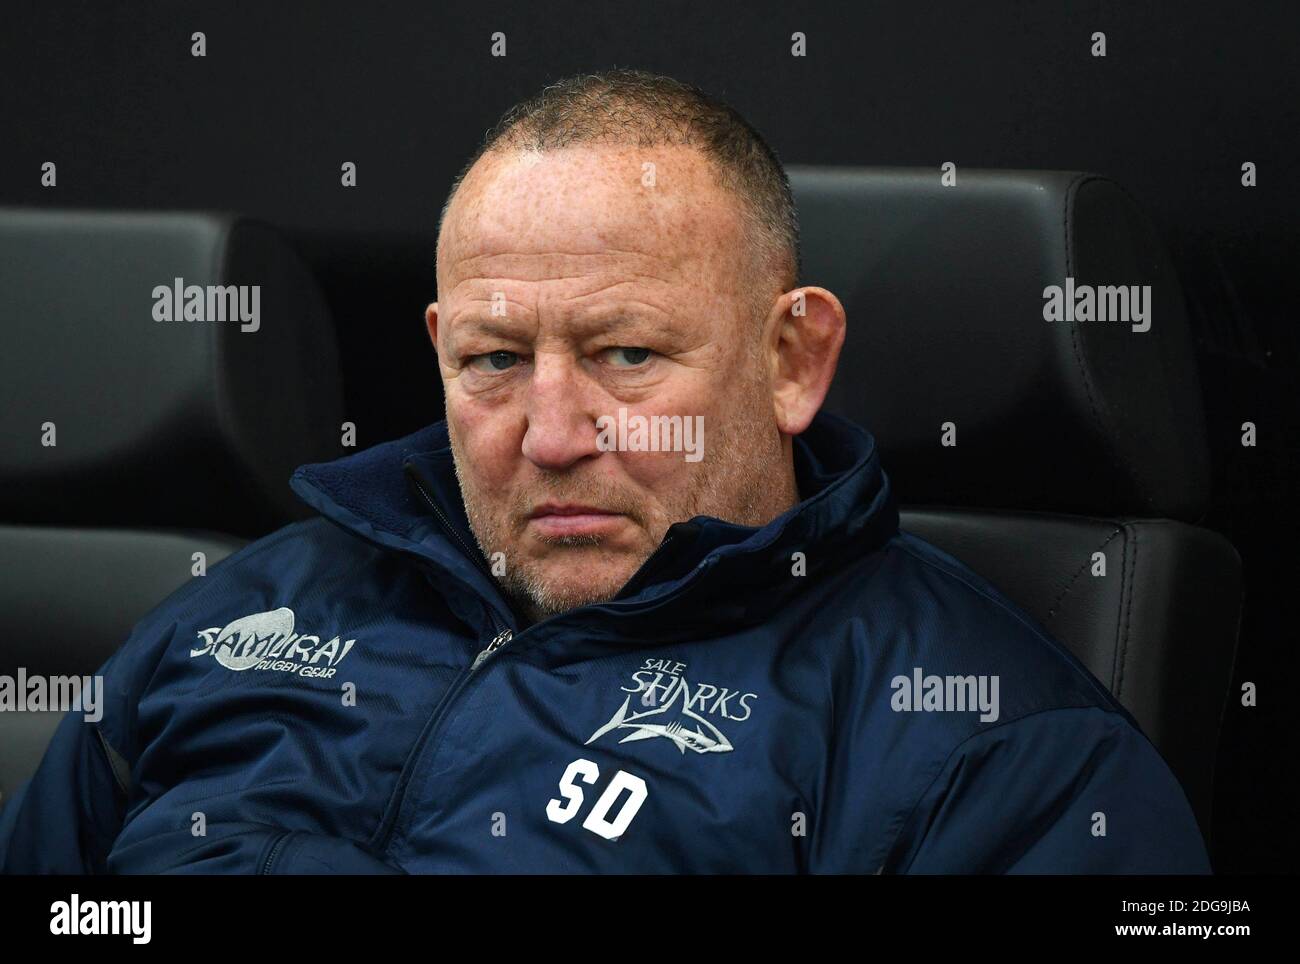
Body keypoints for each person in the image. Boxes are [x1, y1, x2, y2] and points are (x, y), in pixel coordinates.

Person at [0, 69, 1210, 874]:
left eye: (626, 354)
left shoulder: (990, 752)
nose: (549, 433)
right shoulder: (251, 607)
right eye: (493, 359)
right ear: (436, 353)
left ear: (792, 358)